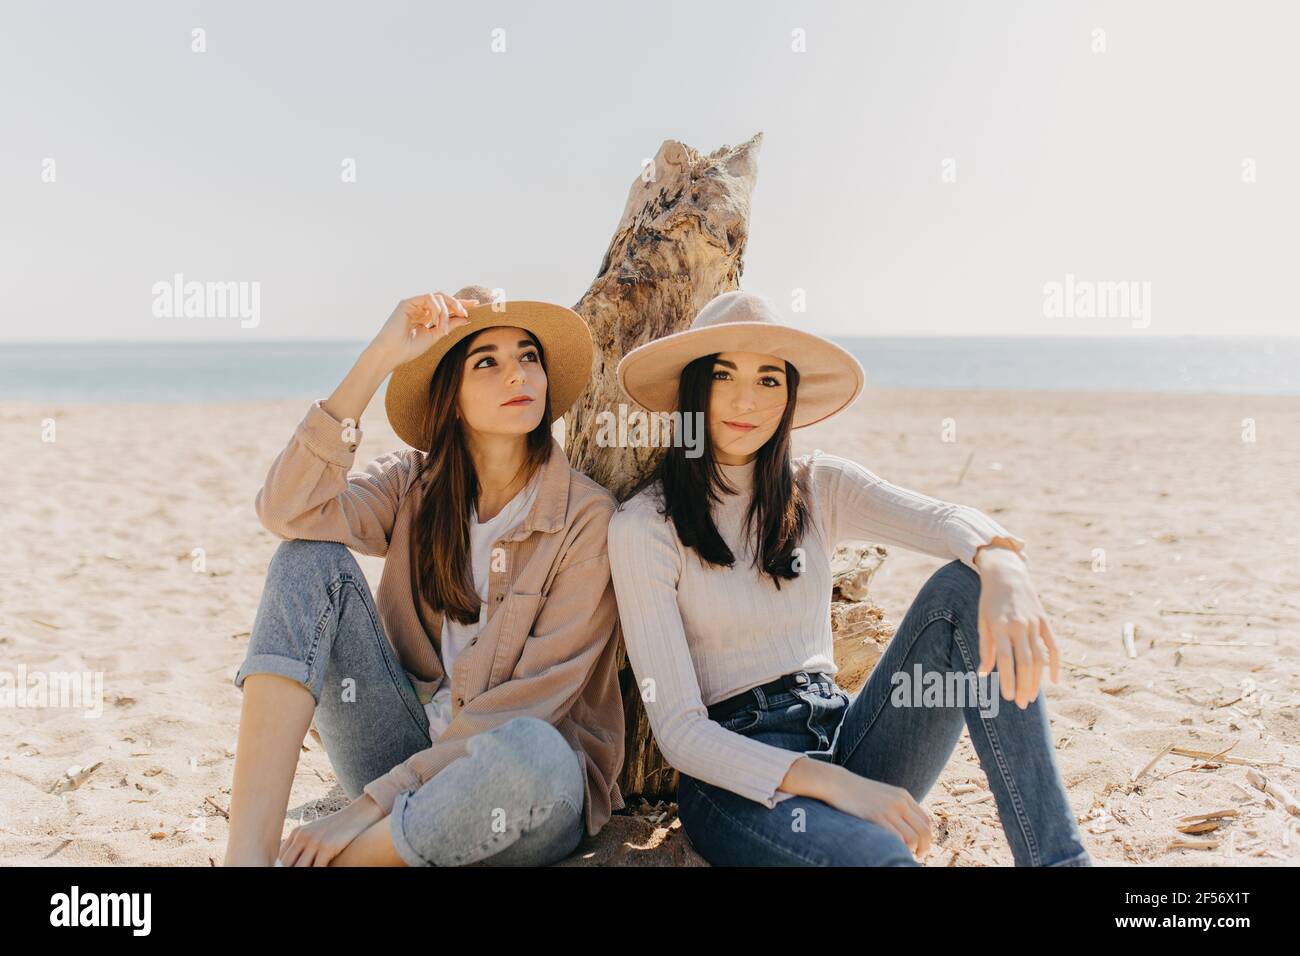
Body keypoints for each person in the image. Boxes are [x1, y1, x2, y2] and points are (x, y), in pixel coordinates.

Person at [607, 290, 1091, 866]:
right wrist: (840, 787)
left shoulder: (818, 486)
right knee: (879, 860)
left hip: (846, 733)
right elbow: (681, 733)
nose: (746, 399)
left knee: (969, 585)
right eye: (722, 375)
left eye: (768, 379)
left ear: (788, 394)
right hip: (738, 777)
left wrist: (1005, 567)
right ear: (692, 389)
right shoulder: (645, 524)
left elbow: (945, 520)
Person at [225, 287, 625, 867]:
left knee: (533, 753)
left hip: (511, 785)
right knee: (306, 559)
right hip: (396, 752)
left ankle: (350, 858)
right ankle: (249, 857)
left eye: (528, 357)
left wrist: (364, 808)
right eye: (486, 361)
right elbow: (288, 510)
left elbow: (529, 707)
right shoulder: (411, 484)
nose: (518, 374)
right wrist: (380, 357)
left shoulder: (586, 520)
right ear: (451, 398)